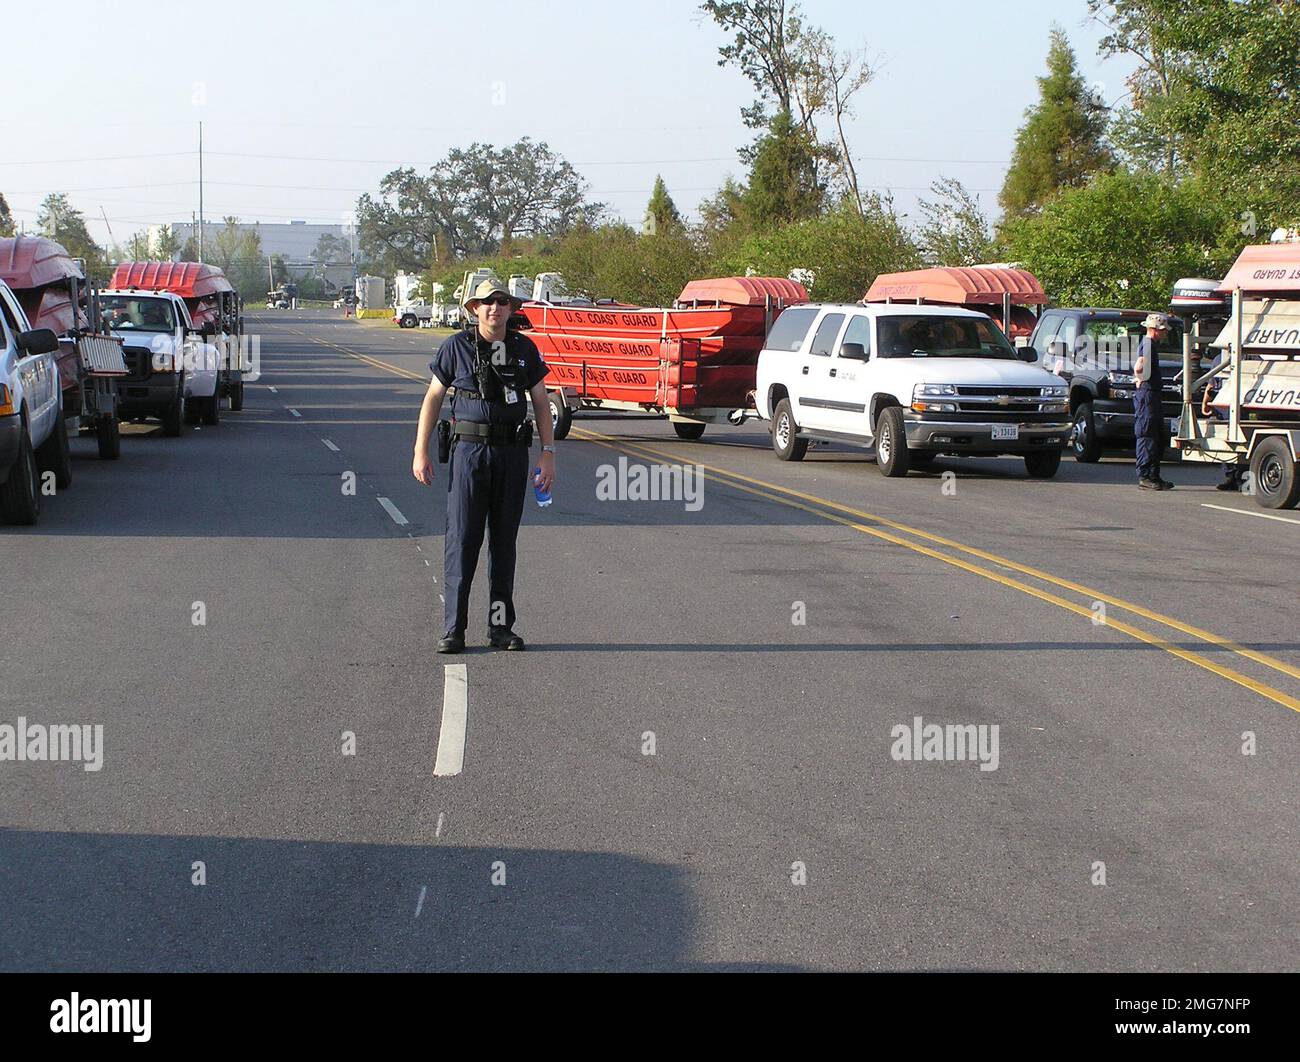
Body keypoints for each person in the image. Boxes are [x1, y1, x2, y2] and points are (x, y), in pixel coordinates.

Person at [412, 279, 555, 653]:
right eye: (487, 303)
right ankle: (453, 630)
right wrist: (420, 451)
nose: (495, 308)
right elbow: (432, 398)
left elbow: (541, 403)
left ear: (511, 308)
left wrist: (547, 453)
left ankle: (499, 628)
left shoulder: (524, 349)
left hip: (511, 454)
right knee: (462, 540)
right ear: (474, 308)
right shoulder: (456, 347)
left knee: (503, 544)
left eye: (501, 302)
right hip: (469, 454)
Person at [1133, 312, 1174, 491]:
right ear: (1155, 330)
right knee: (1147, 433)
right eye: (1164, 330)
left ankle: (1154, 475)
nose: (1166, 333)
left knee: (1156, 435)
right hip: (1147, 394)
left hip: (1151, 393)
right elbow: (1139, 366)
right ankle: (1145, 475)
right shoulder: (1148, 344)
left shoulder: (1149, 344)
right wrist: (1139, 377)